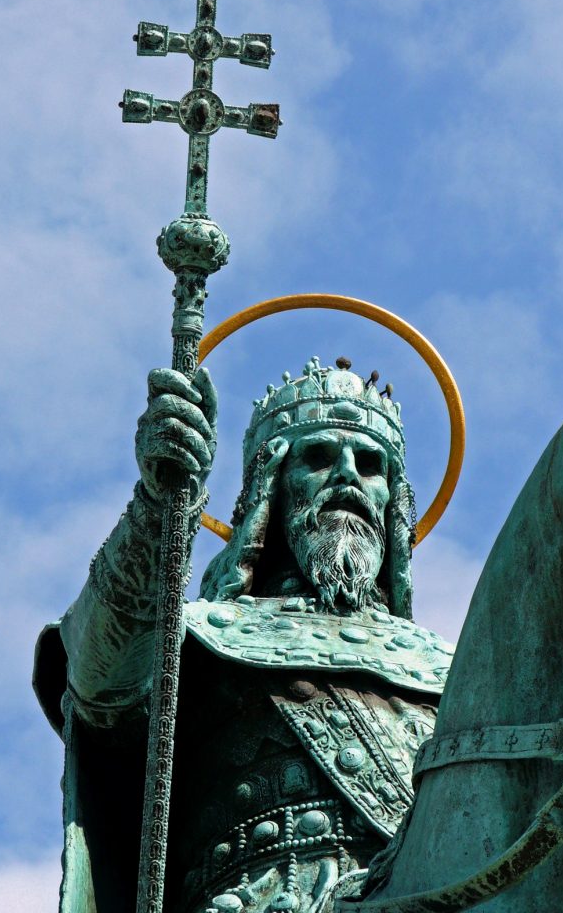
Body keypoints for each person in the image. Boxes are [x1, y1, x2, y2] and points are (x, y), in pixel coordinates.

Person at [34, 356, 455, 913]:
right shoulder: (201, 635)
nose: (349, 476)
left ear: (394, 502)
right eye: (320, 456)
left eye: (372, 464)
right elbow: (99, 685)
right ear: (272, 485)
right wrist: (159, 504)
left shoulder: (456, 671)